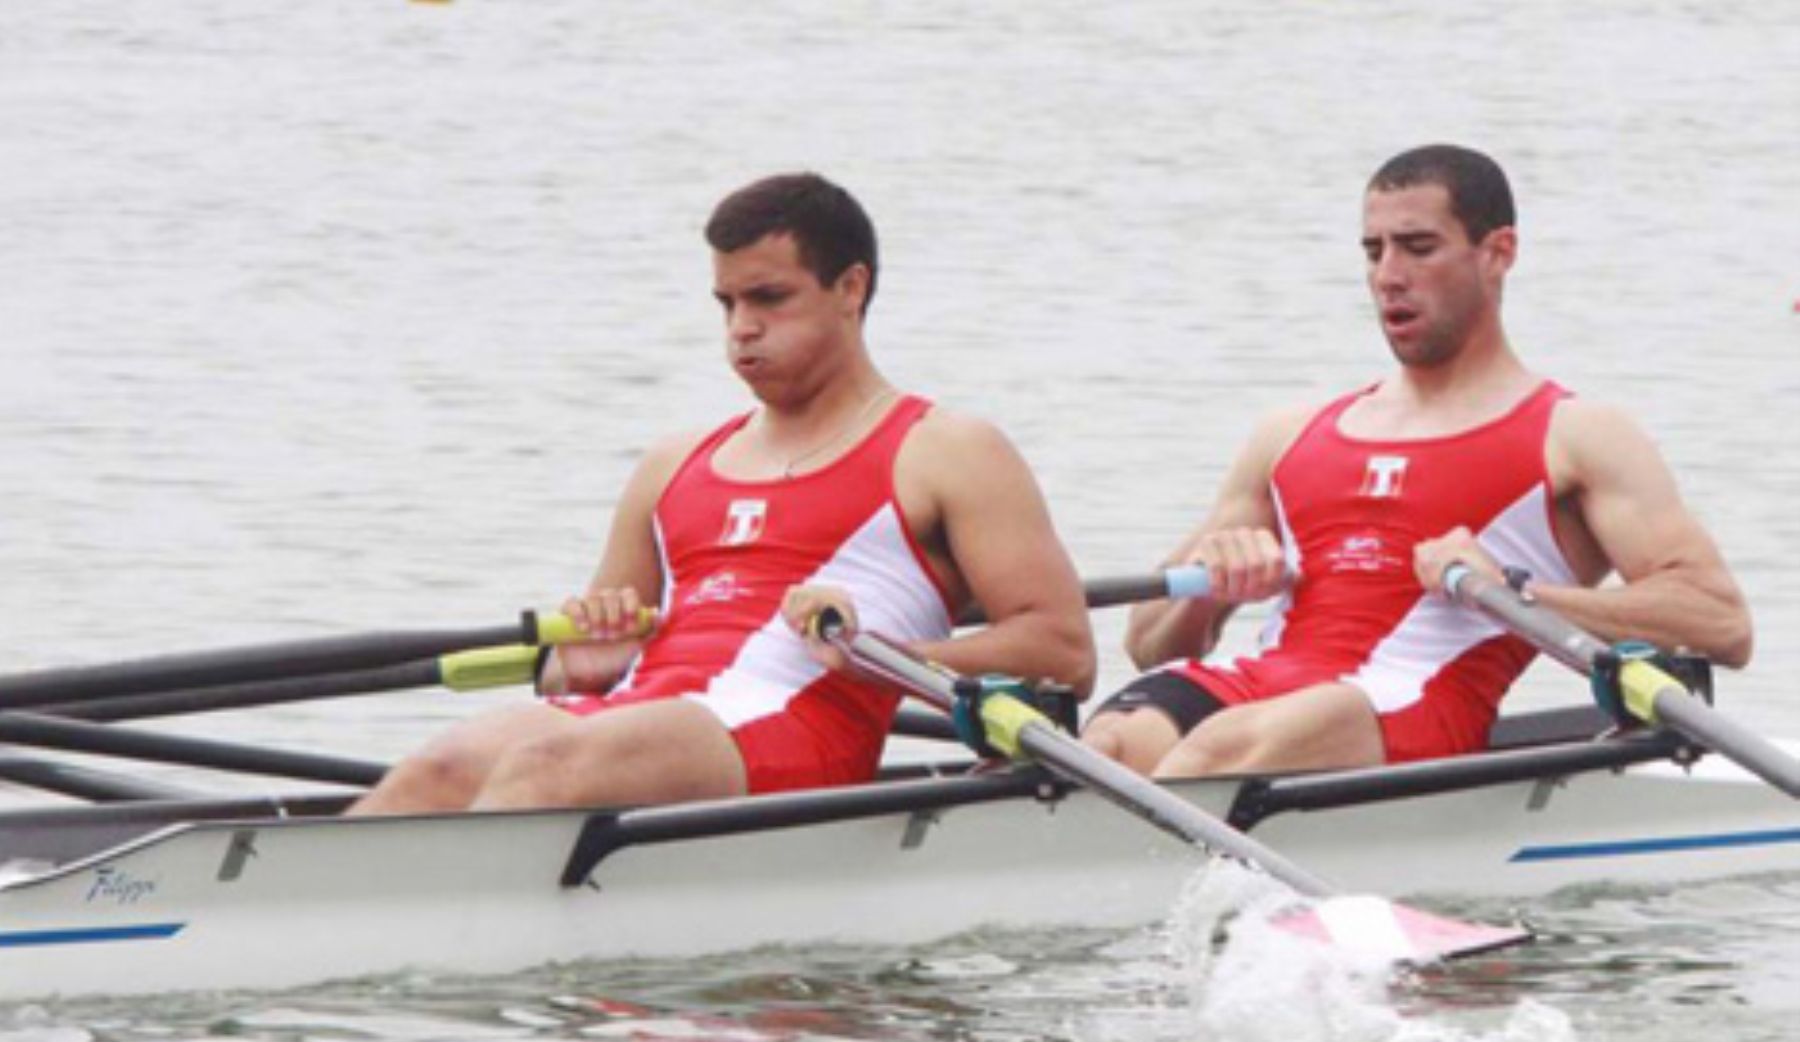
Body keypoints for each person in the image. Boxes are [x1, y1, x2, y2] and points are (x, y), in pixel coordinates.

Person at [354, 173, 1095, 814]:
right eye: (727, 304)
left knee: (548, 767)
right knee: (436, 771)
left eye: (769, 299)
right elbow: (581, 664)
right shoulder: (672, 463)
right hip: (632, 718)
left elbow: (1064, 651)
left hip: (795, 737)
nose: (742, 329)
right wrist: (575, 664)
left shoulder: (948, 450)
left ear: (851, 288)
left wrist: (883, 653)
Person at [1082, 144, 1752, 779]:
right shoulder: (1288, 436)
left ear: (1498, 252)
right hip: (1260, 689)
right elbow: (1150, 645)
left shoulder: (1577, 435)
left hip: (1409, 705)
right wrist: (1212, 589)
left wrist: (1517, 595)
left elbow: (1720, 622)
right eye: (1374, 251)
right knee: (1109, 743)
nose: (1388, 276)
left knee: (1224, 747)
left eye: (1419, 248)